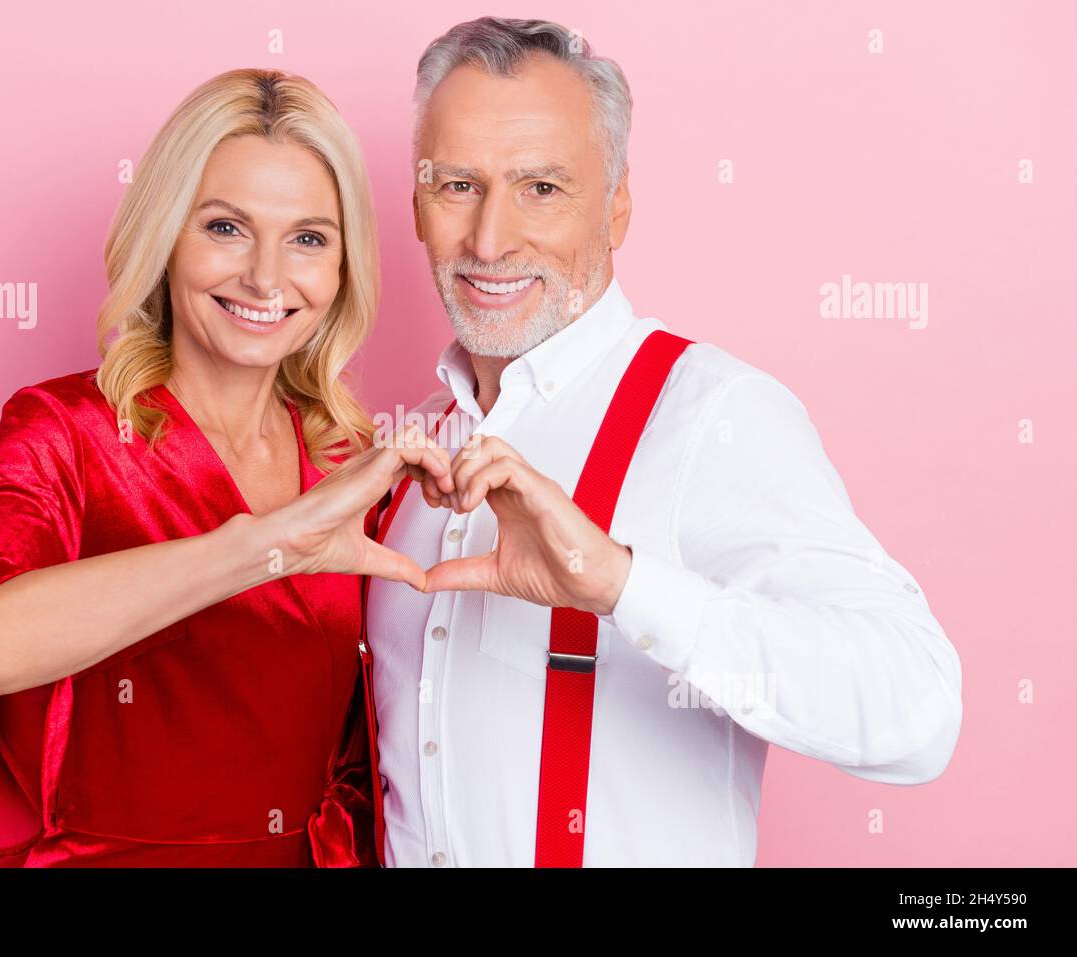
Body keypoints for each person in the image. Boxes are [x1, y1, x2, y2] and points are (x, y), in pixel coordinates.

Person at [362, 17, 964, 867]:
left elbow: (919, 708)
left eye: (541, 187)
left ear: (617, 207)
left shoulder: (712, 415)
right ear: (417, 203)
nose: (490, 239)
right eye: (458, 184)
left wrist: (619, 582)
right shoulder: (406, 449)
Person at [0, 68, 453, 867]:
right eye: (226, 227)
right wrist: (257, 546)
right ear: (166, 236)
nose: (266, 276)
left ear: (340, 270)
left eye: (307, 237)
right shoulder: (66, 434)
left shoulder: (343, 457)